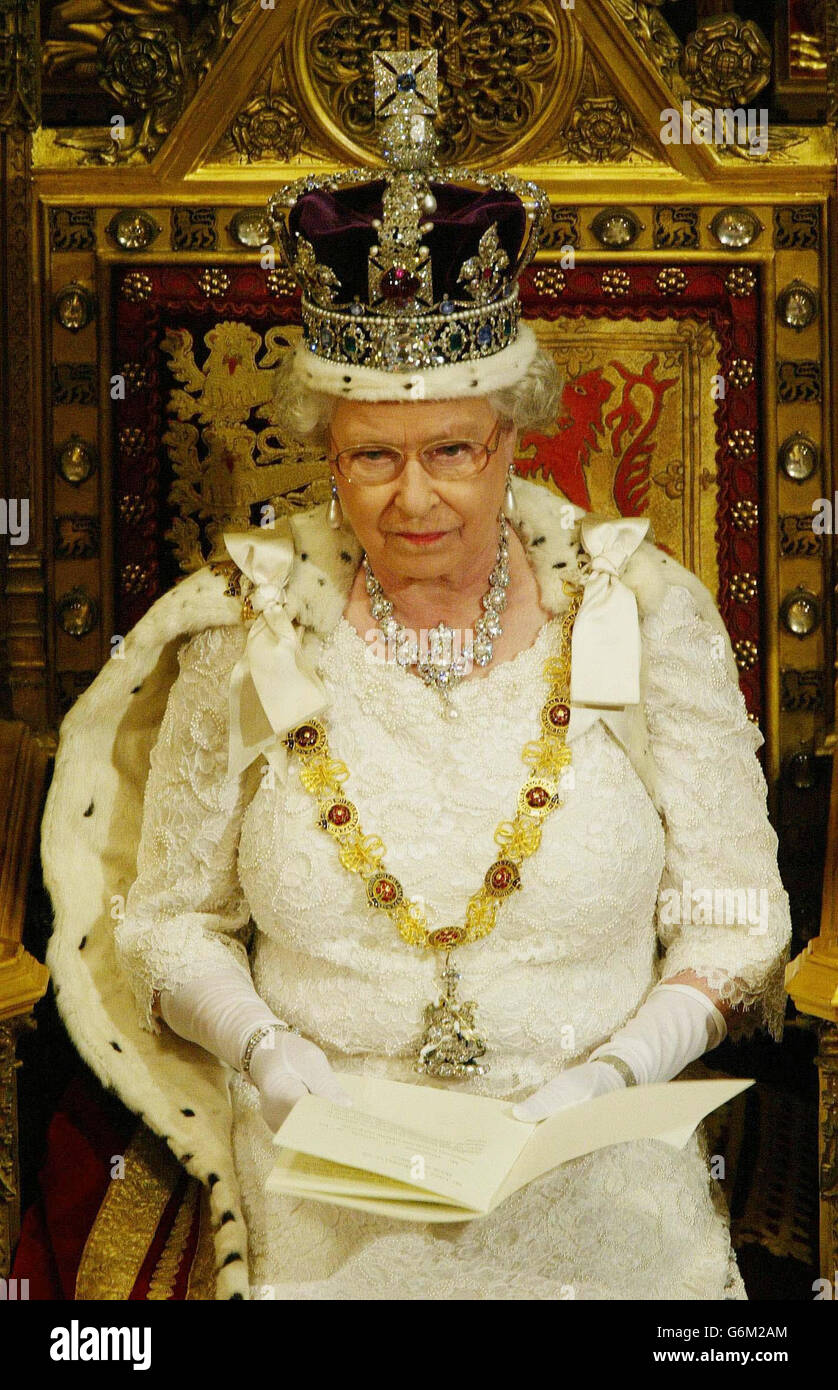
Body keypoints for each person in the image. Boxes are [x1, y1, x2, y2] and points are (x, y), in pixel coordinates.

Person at [41, 49, 791, 1300]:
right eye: (371, 458)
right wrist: (267, 1051)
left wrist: (612, 1074)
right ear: (326, 455)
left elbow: (735, 912)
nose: (414, 496)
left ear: (512, 439)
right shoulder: (251, 630)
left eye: (451, 449)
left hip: (595, 1159)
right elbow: (167, 921)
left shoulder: (647, 617)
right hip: (327, 1171)